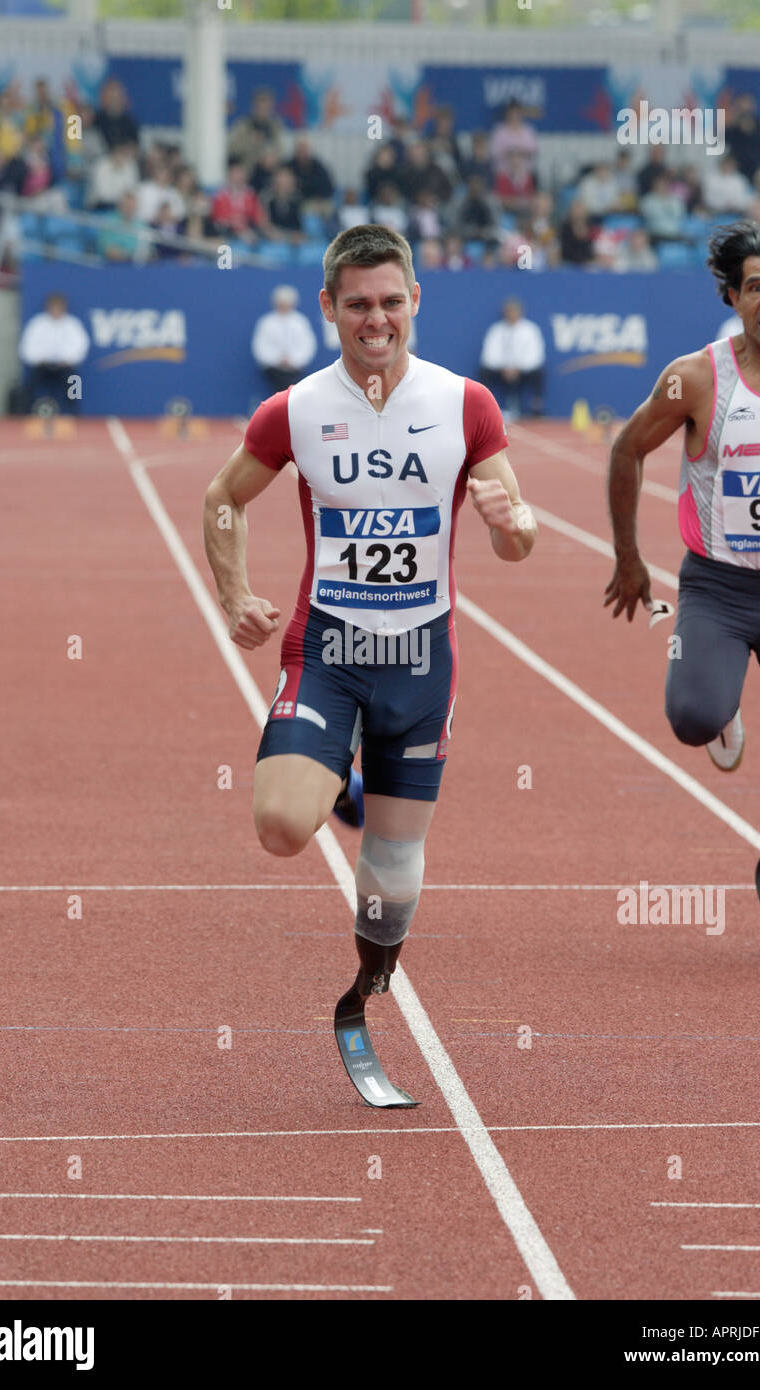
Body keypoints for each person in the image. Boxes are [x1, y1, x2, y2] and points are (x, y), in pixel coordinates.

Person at [203, 224, 536, 1059]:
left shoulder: (466, 405)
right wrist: (236, 594)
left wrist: (513, 523)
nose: (375, 319)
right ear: (329, 308)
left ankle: (372, 972)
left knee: (390, 874)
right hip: (330, 652)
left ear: (415, 301)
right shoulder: (296, 410)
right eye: (358, 304)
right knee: (281, 826)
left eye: (391, 301)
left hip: (422, 660)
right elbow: (223, 498)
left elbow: (518, 535)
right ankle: (336, 775)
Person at [604, 220, 760, 909]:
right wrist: (629, 559)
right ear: (732, 297)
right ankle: (722, 708)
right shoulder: (694, 379)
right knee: (692, 718)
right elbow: (626, 450)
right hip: (719, 588)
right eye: (756, 287)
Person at [18, 291, 90, 414]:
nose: (56, 310)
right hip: (41, 366)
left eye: (59, 307)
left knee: (74, 382)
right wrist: (38, 359)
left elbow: (81, 346)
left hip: (64, 367)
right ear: (48, 307)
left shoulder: (72, 324)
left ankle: (74, 413)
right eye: (53, 306)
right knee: (29, 385)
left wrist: (68, 360)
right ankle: (23, 413)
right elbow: (26, 346)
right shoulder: (38, 323)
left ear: (64, 308)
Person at [479, 297, 546, 420]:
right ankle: (483, 407)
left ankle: (536, 408)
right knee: (484, 372)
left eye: (514, 311)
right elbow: (488, 355)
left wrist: (517, 368)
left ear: (520, 312)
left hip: (523, 370)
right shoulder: (496, 329)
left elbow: (536, 356)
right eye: (509, 311)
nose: (512, 315)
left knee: (538, 373)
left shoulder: (530, 329)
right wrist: (504, 367)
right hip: (501, 370)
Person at [250, 284, 318, 393]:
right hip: (273, 369)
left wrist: (293, 361)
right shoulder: (266, 322)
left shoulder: (300, 322)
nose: (284, 306)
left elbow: (308, 345)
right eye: (281, 303)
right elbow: (260, 346)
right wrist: (277, 360)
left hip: (296, 368)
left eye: (287, 303)